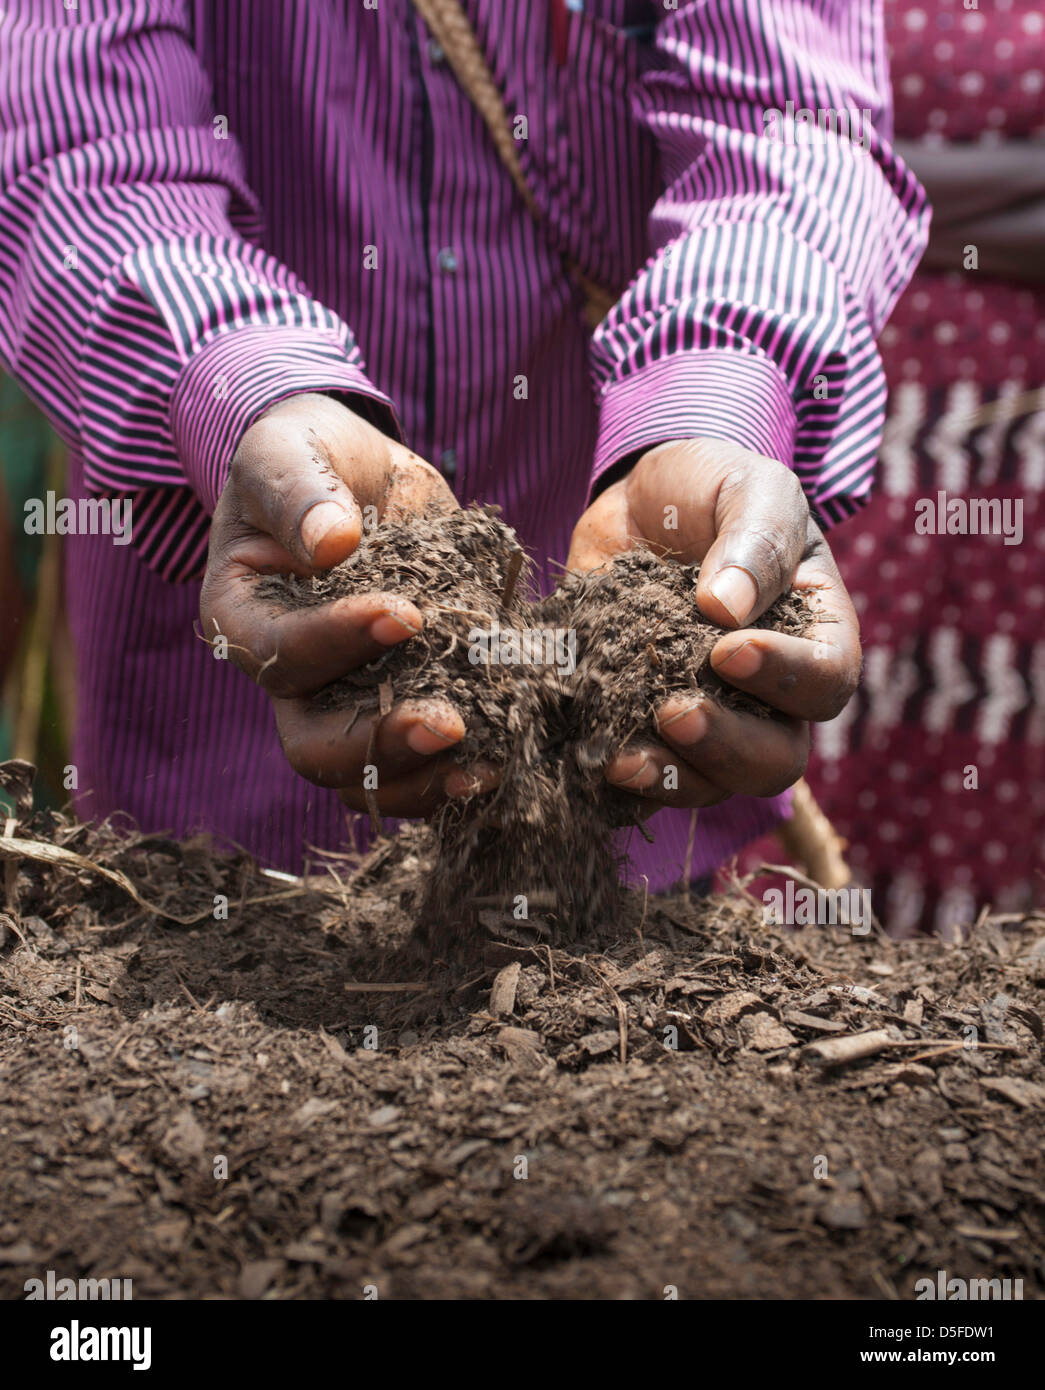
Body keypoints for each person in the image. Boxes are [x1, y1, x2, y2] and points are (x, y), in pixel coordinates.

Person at [0, 1, 926, 885]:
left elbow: (791, 129)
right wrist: (248, 387)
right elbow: (81, 142)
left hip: (637, 776)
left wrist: (713, 409)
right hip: (216, 766)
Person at [803, 0, 1045, 933]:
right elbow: (755, 158)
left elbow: (818, 180)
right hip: (856, 420)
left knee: (1002, 730)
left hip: (1020, 438)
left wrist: (878, 201)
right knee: (829, 692)